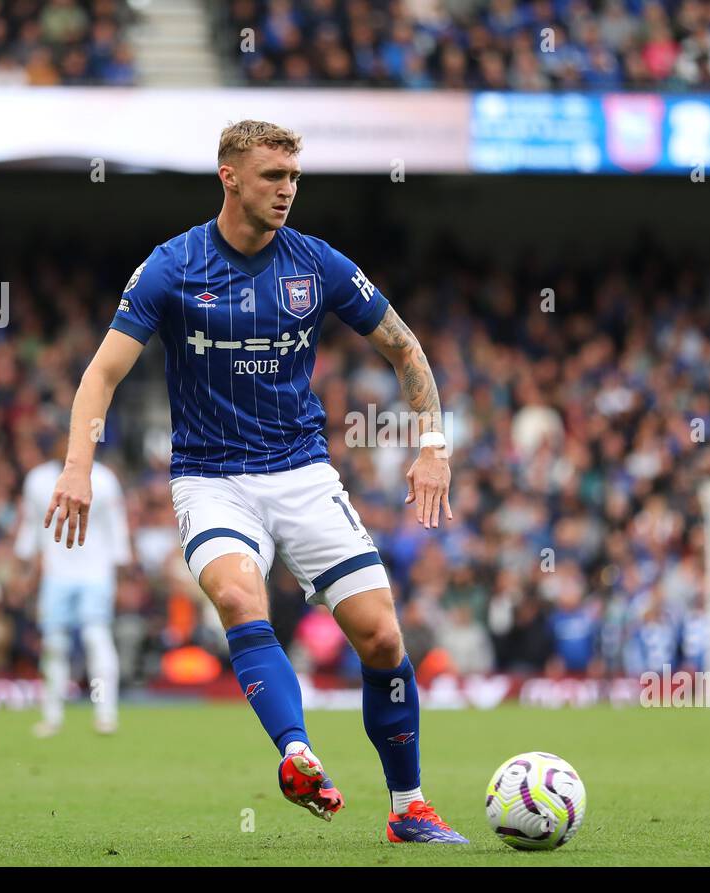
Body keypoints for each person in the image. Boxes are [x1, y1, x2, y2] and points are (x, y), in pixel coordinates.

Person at [45, 120, 467, 843]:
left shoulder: (318, 264)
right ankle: (296, 751)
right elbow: (101, 374)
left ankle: (409, 809)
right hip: (211, 480)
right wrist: (78, 467)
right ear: (230, 177)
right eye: (273, 176)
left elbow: (404, 346)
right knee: (241, 596)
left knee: (383, 637)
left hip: (302, 473)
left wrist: (433, 446)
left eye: (294, 178)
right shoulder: (172, 266)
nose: (286, 191)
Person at [17, 433, 131, 736]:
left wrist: (120, 569)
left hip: (96, 572)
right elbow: (30, 524)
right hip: (56, 573)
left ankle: (106, 714)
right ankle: (52, 716)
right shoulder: (38, 480)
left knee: (96, 637)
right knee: (54, 644)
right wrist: (26, 565)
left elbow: (116, 527)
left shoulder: (104, 479)